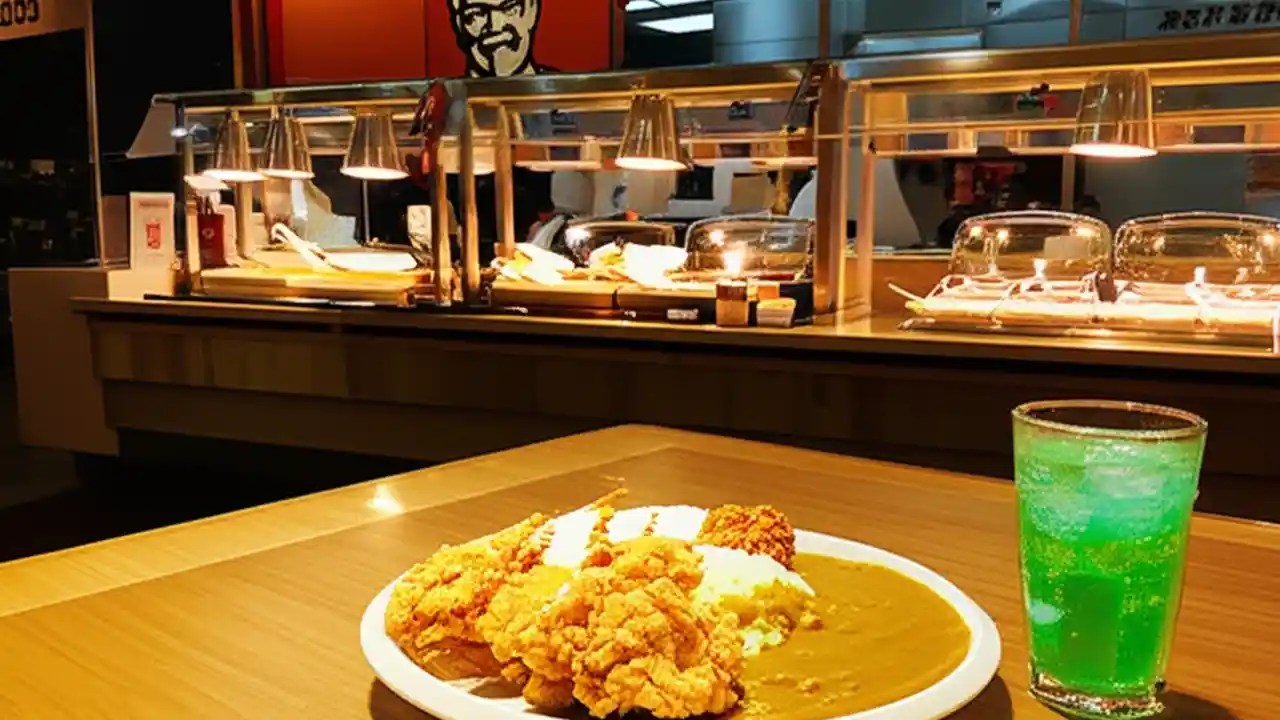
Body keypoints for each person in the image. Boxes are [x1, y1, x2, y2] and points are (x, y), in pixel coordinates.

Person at [447, 0, 554, 77]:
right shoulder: (444, 102)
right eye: (476, 14)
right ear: (459, 25)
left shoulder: (566, 98)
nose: (495, 26)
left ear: (532, 10)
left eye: (510, 8)